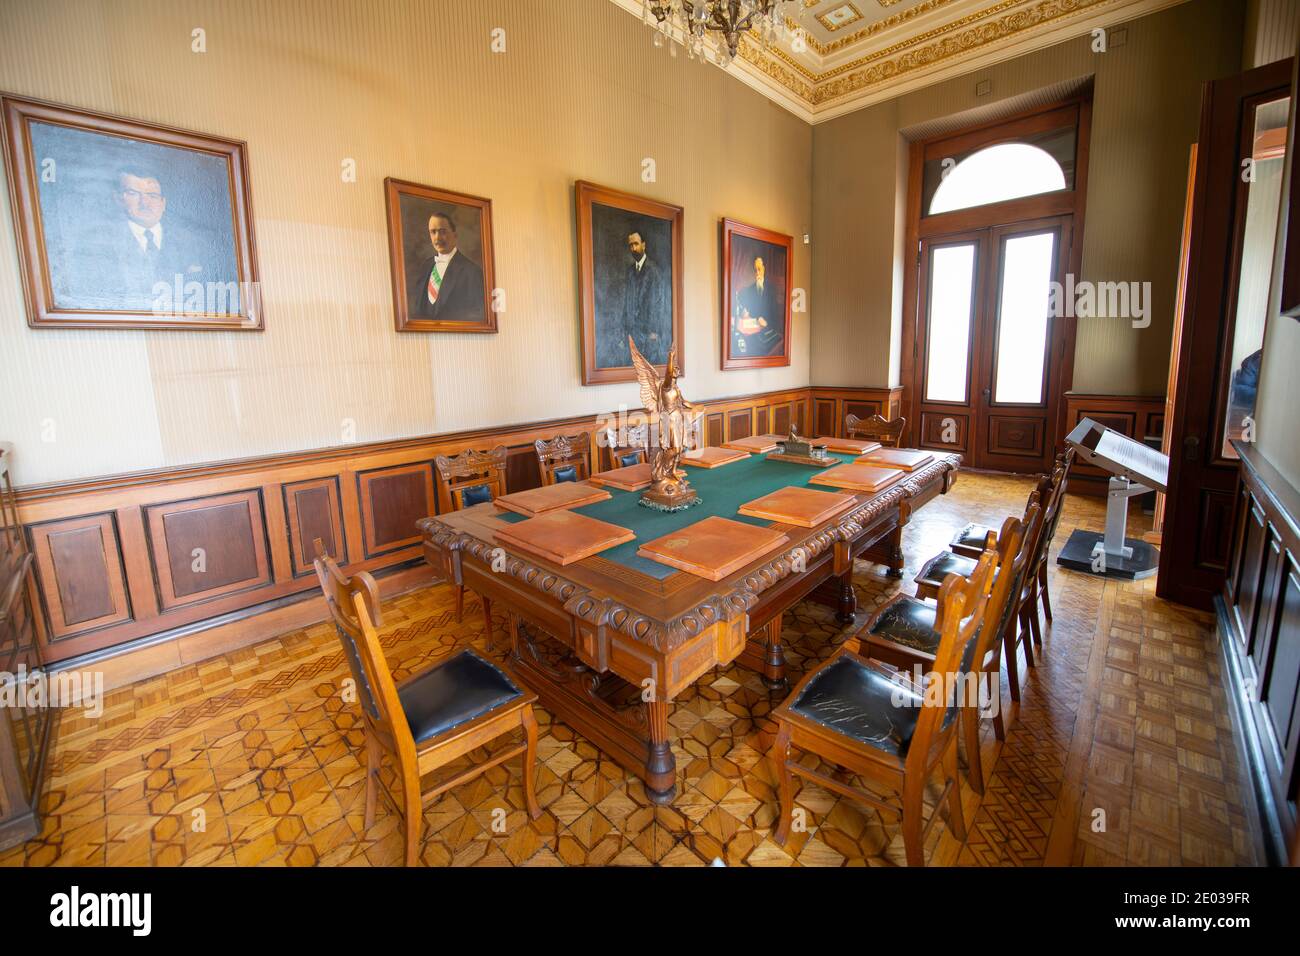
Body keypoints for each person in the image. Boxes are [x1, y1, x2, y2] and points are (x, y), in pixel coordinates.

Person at [58, 166, 215, 310]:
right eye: (133, 194)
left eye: (152, 195)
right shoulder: (95, 242)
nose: (144, 203)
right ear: (118, 199)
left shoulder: (193, 242)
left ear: (163, 202)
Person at [407, 211, 486, 324]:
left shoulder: (471, 271)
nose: (437, 237)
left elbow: (478, 314)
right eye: (433, 232)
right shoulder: (426, 266)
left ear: (455, 235)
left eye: (442, 232)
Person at [619, 230, 669, 365]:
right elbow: (627, 302)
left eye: (636, 244)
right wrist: (623, 332)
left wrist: (654, 331)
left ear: (644, 245)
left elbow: (659, 304)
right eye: (630, 245)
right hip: (632, 333)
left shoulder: (654, 271)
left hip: (648, 334)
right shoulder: (630, 271)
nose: (633, 248)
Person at [731, 254, 783, 357]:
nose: (757, 273)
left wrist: (766, 323)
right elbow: (746, 310)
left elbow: (776, 316)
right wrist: (744, 314)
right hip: (753, 332)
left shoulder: (773, 289)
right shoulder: (749, 290)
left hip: (769, 329)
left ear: (764, 269)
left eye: (759, 269)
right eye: (755, 270)